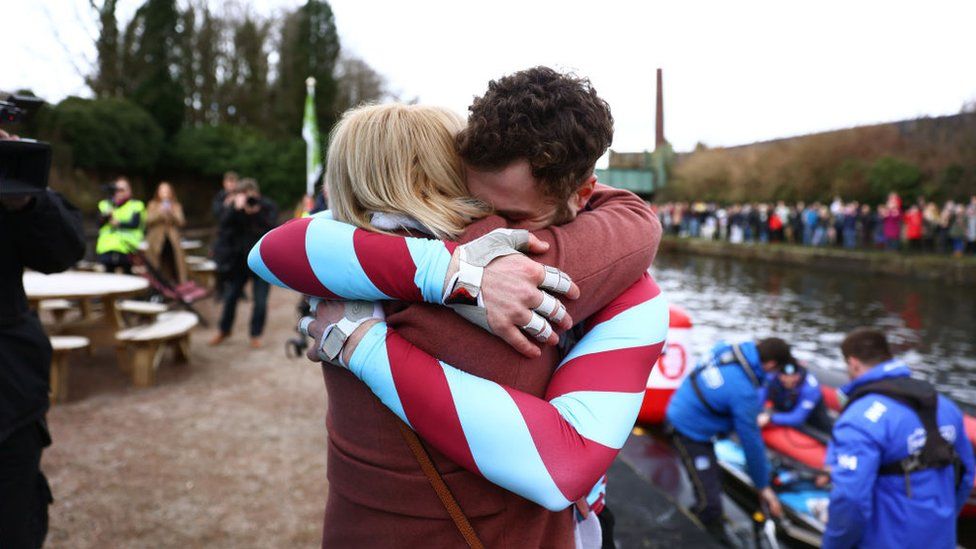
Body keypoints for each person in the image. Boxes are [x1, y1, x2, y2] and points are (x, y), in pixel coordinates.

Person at [249, 68, 663, 547]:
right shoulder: (615, 276)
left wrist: (364, 346)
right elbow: (272, 250)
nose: (491, 227)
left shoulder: (344, 270)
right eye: (477, 204)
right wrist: (455, 273)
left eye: (513, 217)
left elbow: (273, 249)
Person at [1, 128, 87, 549]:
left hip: (8, 399)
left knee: (14, 522)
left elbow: (63, 251)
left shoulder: (10, 188)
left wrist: (24, 196)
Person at [823, 328, 975, 549]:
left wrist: (833, 544)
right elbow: (966, 476)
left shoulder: (859, 418)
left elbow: (850, 498)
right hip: (941, 538)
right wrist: (945, 520)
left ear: (853, 363)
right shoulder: (945, 405)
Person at [665, 338, 788, 542]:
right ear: (771, 364)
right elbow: (751, 444)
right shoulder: (744, 392)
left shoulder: (727, 348)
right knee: (710, 503)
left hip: (682, 406)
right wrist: (763, 486)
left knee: (713, 479)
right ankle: (692, 536)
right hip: (688, 430)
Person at [210, 178, 276, 348]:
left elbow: (273, 229)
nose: (248, 198)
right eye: (244, 195)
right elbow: (223, 227)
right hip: (239, 262)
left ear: (257, 193)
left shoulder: (266, 206)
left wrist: (256, 213)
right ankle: (224, 330)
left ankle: (255, 334)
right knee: (230, 297)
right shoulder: (234, 208)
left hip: (261, 262)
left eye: (250, 195)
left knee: (260, 301)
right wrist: (235, 209)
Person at [757, 362, 832, 435]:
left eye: (791, 377)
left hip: (811, 422)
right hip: (784, 411)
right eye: (784, 377)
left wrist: (771, 418)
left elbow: (797, 418)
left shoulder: (810, 388)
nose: (788, 380)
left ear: (798, 375)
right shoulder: (772, 377)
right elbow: (760, 397)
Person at [95, 176, 145, 273]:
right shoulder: (105, 204)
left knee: (128, 278)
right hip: (107, 248)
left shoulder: (136, 205)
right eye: (117, 190)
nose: (119, 193)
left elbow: (135, 224)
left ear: (129, 191)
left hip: (128, 249)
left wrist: (119, 223)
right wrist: (106, 215)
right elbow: (98, 223)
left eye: (122, 190)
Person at [145, 181, 187, 283]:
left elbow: (181, 222)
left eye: (167, 191)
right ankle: (155, 284)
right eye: (162, 191)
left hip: (172, 240)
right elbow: (147, 220)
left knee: (173, 263)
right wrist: (159, 212)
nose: (165, 193)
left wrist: (171, 213)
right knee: (156, 263)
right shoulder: (152, 205)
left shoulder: (176, 206)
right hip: (156, 241)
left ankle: (174, 284)